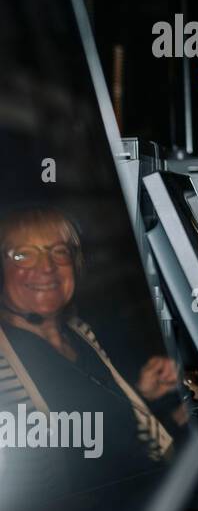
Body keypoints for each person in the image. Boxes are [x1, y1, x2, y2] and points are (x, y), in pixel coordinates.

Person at [0, 206, 177, 495]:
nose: (46, 267)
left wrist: (144, 395)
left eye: (59, 251)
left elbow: (106, 435)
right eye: (23, 254)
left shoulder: (80, 333)